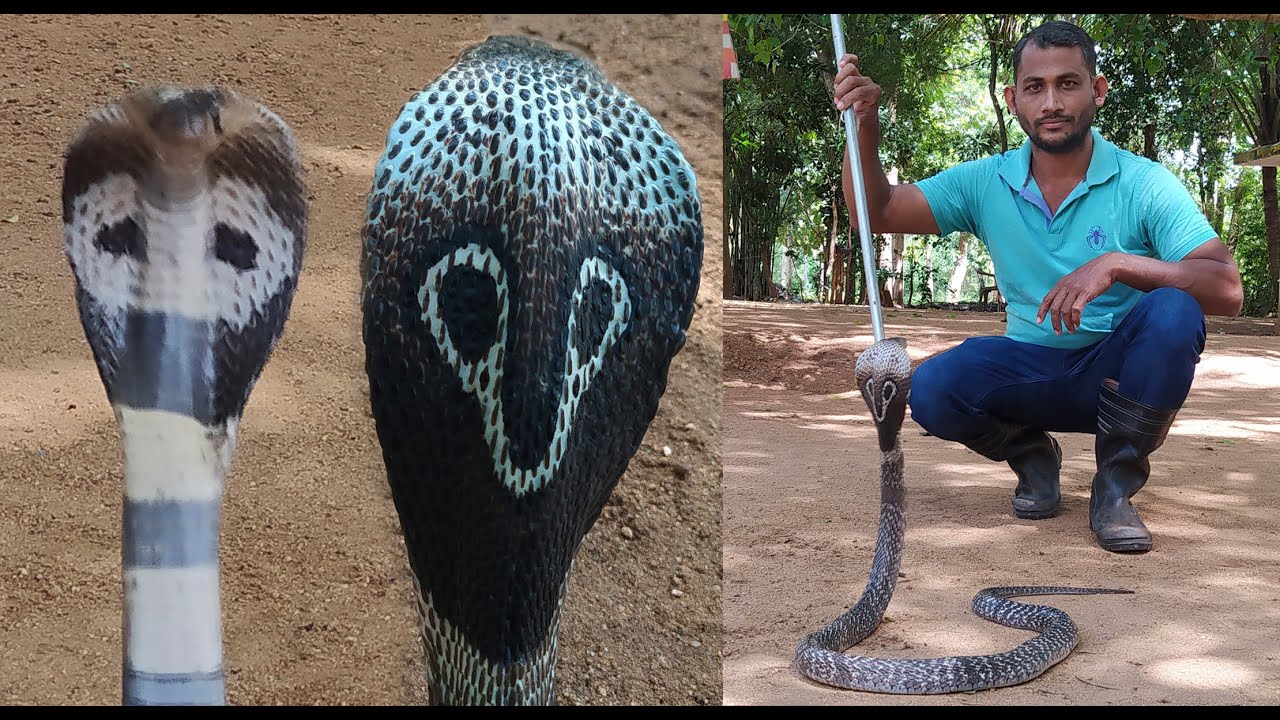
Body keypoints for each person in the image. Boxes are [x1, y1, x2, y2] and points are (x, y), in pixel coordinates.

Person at [831, 20, 1243, 553]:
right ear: (1014, 100)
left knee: (1173, 311)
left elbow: (1227, 289)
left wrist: (1119, 264)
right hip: (1028, 373)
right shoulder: (985, 181)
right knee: (931, 389)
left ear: (1096, 90)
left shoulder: (1144, 182)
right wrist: (864, 127)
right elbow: (878, 212)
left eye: (1068, 84)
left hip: (1116, 379)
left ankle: (1114, 487)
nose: (1051, 101)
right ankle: (1032, 455)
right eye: (1035, 87)